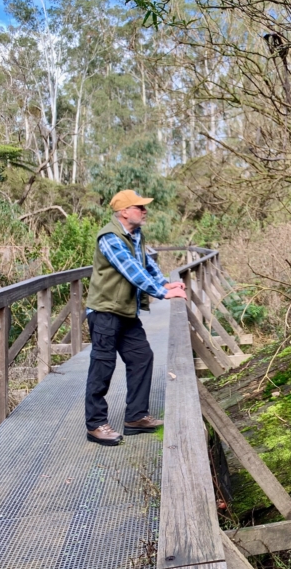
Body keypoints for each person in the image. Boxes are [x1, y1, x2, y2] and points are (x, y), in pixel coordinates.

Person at [84, 190, 187, 446]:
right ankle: (96, 425)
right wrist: (163, 293)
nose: (144, 211)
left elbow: (146, 265)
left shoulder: (135, 235)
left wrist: (166, 283)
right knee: (103, 367)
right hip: (105, 312)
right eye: (139, 207)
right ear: (124, 212)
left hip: (126, 311)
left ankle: (136, 417)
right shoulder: (110, 237)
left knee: (142, 356)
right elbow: (132, 271)